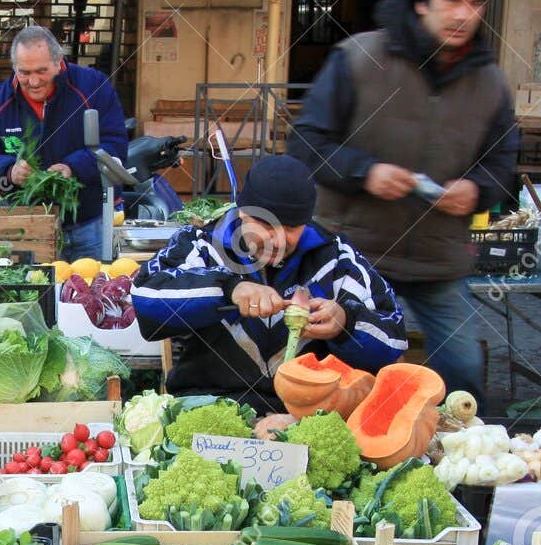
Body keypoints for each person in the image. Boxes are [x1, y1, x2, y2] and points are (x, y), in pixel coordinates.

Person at [291, 0, 517, 410]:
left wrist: (478, 189)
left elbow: (503, 162)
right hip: (354, 253)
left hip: (438, 257)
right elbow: (306, 144)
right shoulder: (359, 58)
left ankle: (457, 454)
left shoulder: (491, 82)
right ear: (421, 4)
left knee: (463, 373)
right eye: (452, 0)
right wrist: (365, 172)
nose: (465, 15)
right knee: (333, 374)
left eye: (476, 3)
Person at [133, 154, 407, 412]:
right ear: (243, 213)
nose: (278, 240)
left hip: (305, 415)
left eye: (291, 228)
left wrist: (345, 323)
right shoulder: (201, 245)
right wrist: (229, 289)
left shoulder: (336, 258)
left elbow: (393, 339)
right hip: (208, 406)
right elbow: (145, 296)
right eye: (265, 225)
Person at [0, 25, 127, 261]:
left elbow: (115, 146)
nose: (33, 81)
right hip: (30, 227)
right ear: (14, 67)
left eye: (41, 71)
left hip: (92, 221)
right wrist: (9, 171)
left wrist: (73, 167)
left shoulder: (93, 86)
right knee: (37, 284)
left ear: (58, 62)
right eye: (24, 73)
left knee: (94, 281)